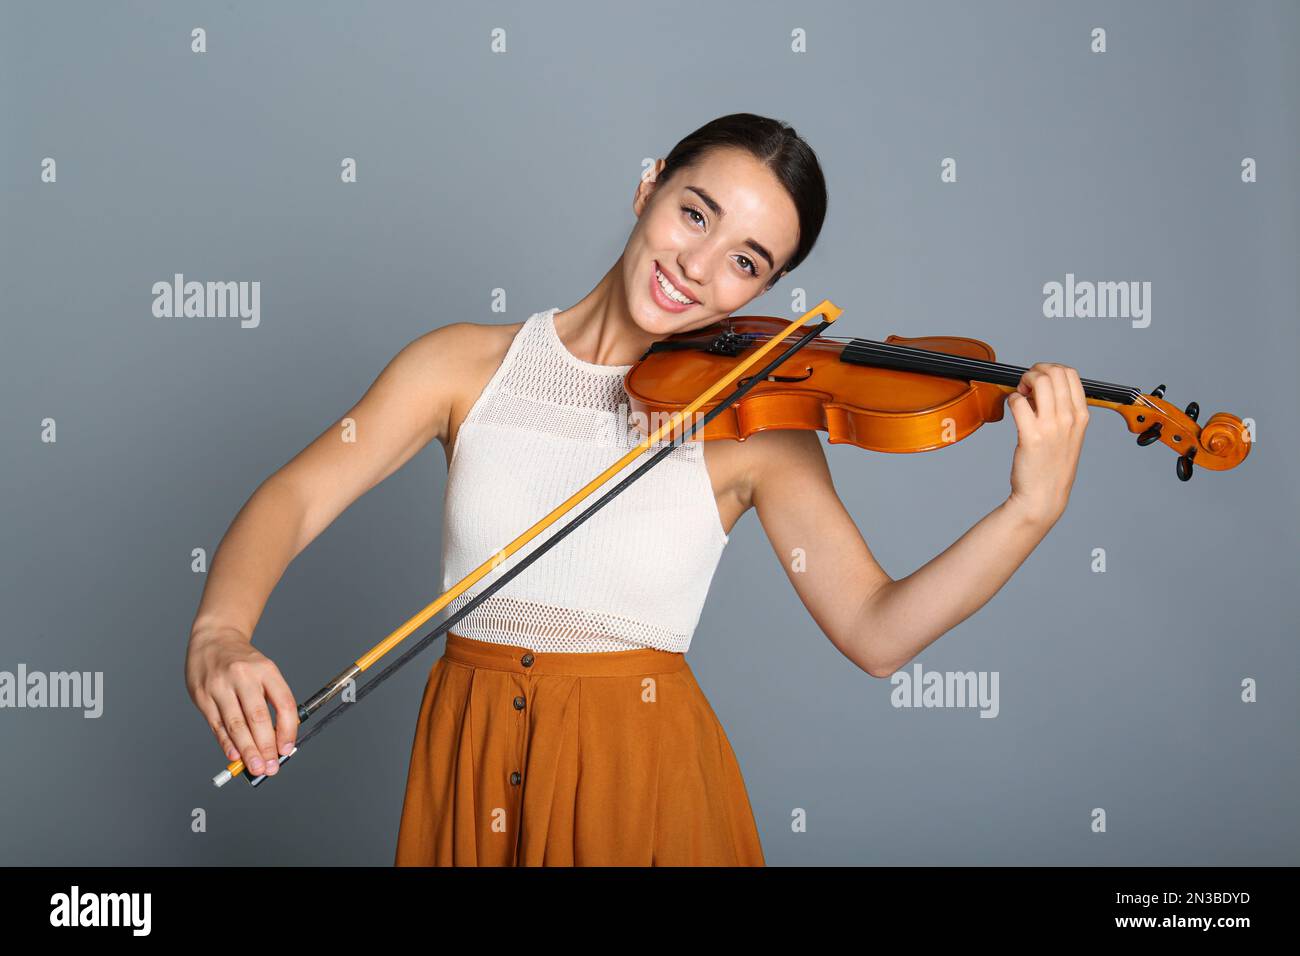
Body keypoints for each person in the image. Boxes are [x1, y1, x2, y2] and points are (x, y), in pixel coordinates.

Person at [184, 113, 1089, 866]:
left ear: (767, 289)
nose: (700, 267)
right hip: (473, 761)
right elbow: (294, 496)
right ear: (648, 185)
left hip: (643, 786)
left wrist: (1029, 511)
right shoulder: (459, 366)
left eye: (747, 262)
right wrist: (222, 634)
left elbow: (878, 632)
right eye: (695, 215)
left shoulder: (756, 428)